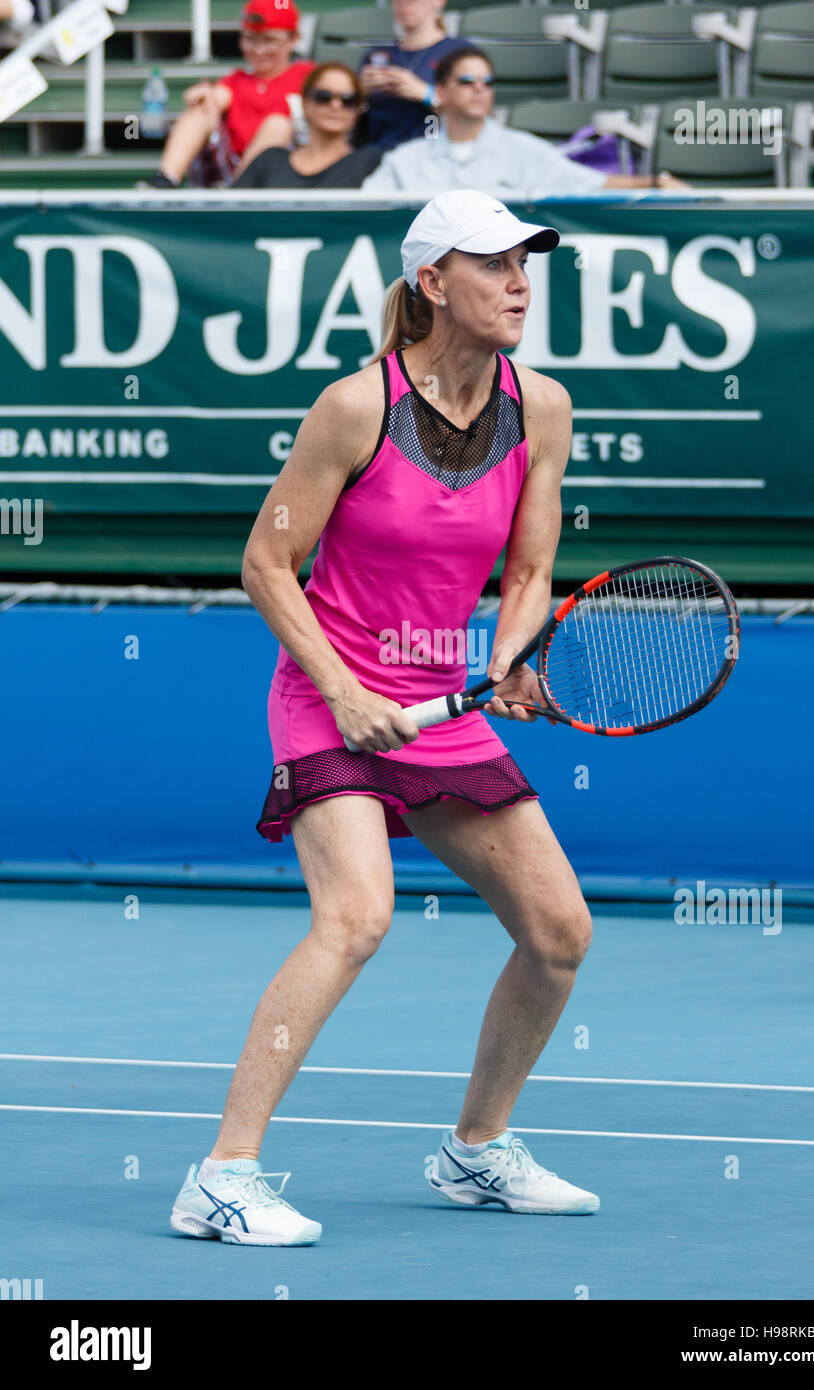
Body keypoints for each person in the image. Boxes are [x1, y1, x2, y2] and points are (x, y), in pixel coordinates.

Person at [169, 188, 600, 1247]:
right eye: (492, 263)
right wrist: (349, 692)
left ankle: (475, 1150)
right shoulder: (354, 407)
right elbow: (265, 562)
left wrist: (505, 662)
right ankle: (220, 1175)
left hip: (436, 706)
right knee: (356, 915)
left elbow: (530, 566)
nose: (516, 282)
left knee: (557, 934)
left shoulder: (540, 405)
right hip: (329, 692)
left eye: (524, 263)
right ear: (430, 283)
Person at [362, 46, 686, 195]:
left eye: (486, 82)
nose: (479, 89)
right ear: (441, 92)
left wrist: (656, 182)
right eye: (467, 81)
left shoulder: (523, 150)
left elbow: (589, 185)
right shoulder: (406, 160)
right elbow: (362, 208)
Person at [141, 0, 316, 190]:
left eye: (269, 40)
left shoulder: (307, 75)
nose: (258, 49)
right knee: (202, 108)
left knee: (278, 124)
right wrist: (206, 95)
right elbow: (219, 96)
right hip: (230, 170)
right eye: (250, 39)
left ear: (294, 38)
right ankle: (165, 179)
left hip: (284, 169)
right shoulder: (237, 79)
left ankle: (239, 190)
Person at [233, 62, 381, 189]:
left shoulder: (370, 161)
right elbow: (229, 210)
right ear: (305, 103)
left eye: (348, 100)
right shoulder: (270, 159)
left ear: (358, 108)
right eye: (324, 97)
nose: (336, 106)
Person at [356, 0, 464, 152]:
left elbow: (471, 113)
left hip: (434, 153)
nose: (404, 4)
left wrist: (426, 94)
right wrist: (359, 95)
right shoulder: (376, 55)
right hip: (377, 154)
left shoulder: (460, 53)